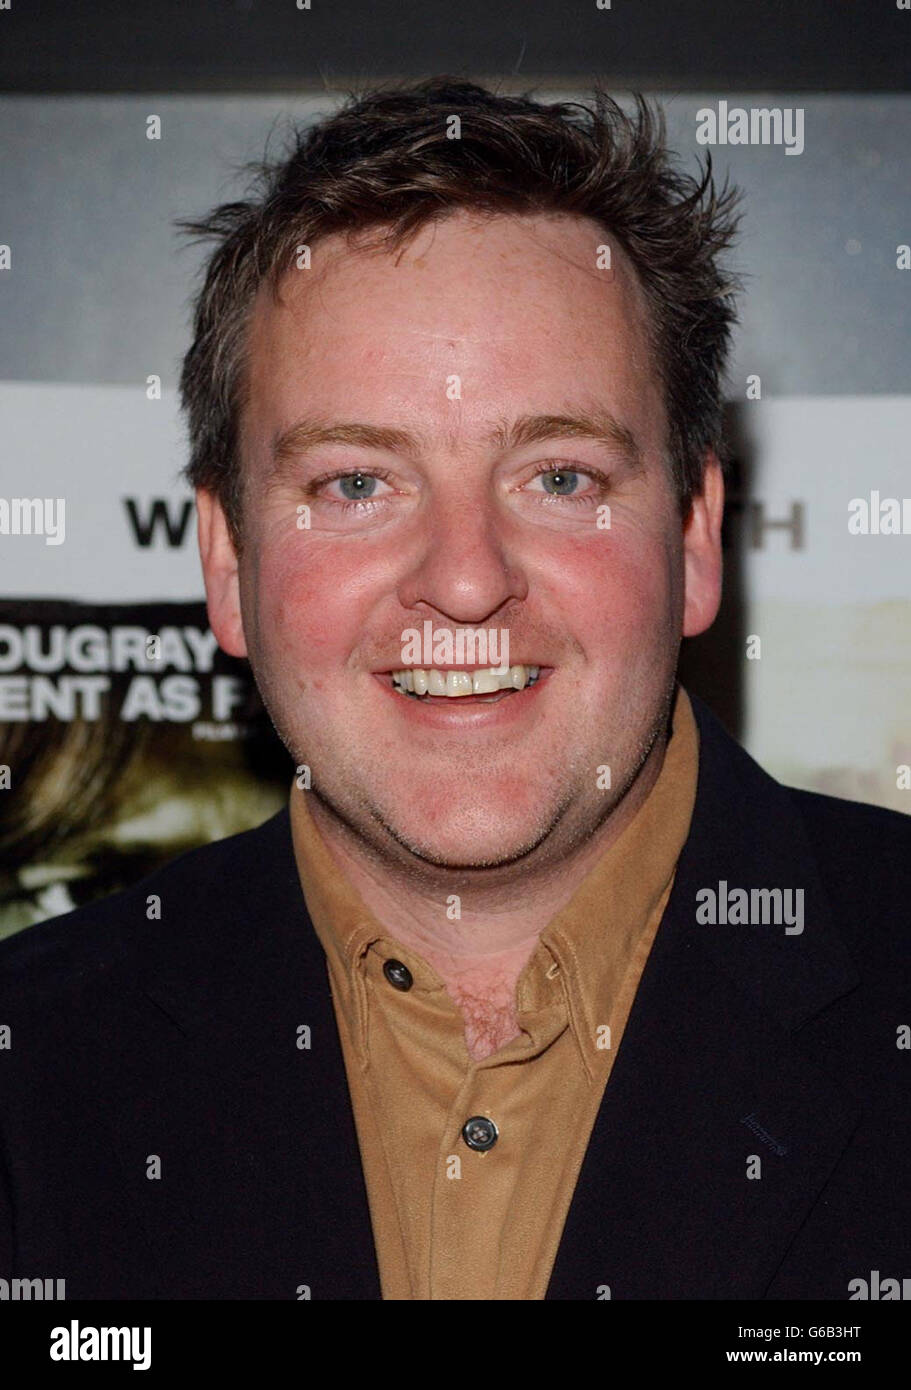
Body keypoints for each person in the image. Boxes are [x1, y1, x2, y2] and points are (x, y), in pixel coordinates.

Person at [0, 77, 908, 1301]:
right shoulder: (31, 1064)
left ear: (694, 534)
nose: (466, 581)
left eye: (560, 476)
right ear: (225, 561)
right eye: (356, 485)